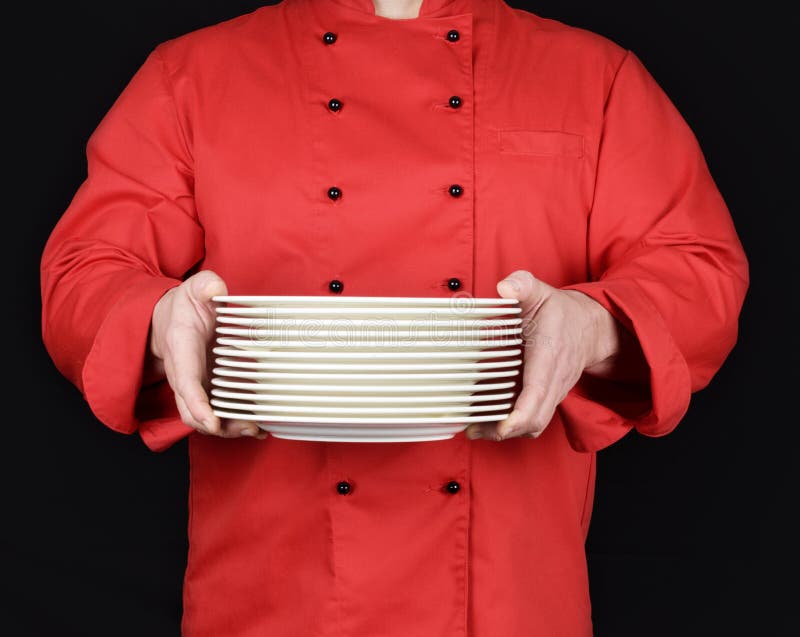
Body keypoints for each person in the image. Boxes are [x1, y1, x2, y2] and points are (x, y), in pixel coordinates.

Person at [39, 0, 749, 634]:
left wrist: (595, 325)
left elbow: (698, 272)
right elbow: (85, 274)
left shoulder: (594, 78)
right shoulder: (190, 76)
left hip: (509, 603)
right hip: (269, 600)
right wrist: (161, 322)